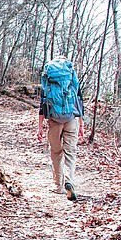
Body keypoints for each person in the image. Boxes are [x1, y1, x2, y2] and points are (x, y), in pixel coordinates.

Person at [36, 56, 84, 201]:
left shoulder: (48, 74)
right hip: (71, 118)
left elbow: (42, 101)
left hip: (54, 119)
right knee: (70, 153)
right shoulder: (70, 73)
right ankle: (69, 181)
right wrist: (81, 123)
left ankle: (58, 186)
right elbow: (78, 98)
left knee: (56, 152)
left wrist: (40, 127)